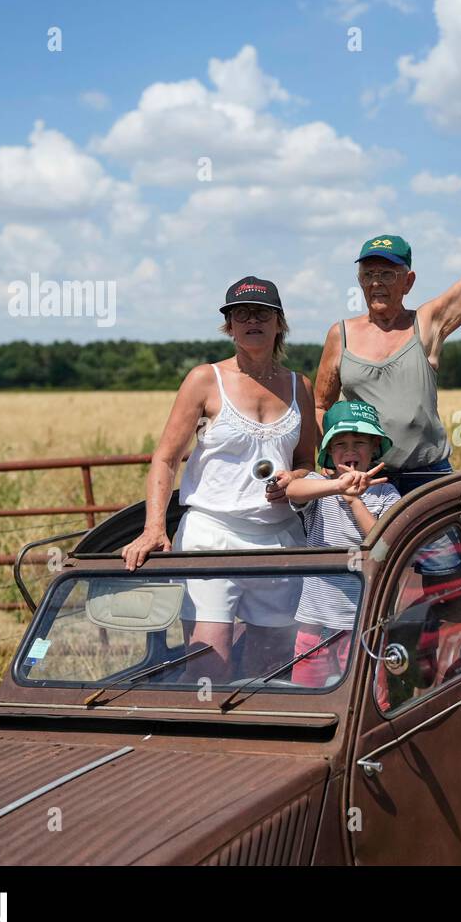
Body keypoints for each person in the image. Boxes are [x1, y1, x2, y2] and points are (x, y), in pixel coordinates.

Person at [121, 276, 317, 683]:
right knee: (209, 668)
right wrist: (154, 527)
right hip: (212, 536)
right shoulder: (204, 380)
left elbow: (305, 461)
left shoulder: (300, 386)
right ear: (228, 326)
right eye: (239, 314)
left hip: (279, 540)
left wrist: (293, 479)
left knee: (273, 670)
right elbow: (166, 458)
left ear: (279, 321)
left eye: (261, 312)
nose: (251, 320)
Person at [313, 164, 461, 495]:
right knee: (368, 550)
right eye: (369, 274)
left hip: (428, 478)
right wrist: (329, 457)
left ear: (408, 281)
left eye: (388, 274)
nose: (376, 282)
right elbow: (321, 405)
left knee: (442, 551)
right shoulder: (341, 334)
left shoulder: (426, 322)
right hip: (367, 481)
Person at [281, 400, 399, 687]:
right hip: (313, 626)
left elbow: (384, 544)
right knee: (308, 701)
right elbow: (293, 490)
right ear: (329, 452)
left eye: (359, 442)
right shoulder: (319, 486)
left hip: (362, 624)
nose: (349, 450)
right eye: (339, 443)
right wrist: (337, 486)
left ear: (374, 449)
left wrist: (353, 500)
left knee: (365, 698)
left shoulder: (386, 493)